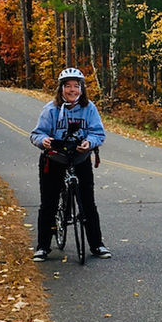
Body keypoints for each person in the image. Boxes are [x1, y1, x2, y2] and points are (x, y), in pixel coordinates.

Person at [29, 66, 112, 260]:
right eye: (68, 86)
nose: (72, 90)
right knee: (48, 203)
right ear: (61, 89)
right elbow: (36, 134)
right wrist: (44, 141)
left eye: (76, 86)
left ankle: (97, 245)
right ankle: (43, 246)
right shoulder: (50, 109)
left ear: (82, 89)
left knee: (87, 203)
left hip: (79, 157)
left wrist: (89, 142)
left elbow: (98, 133)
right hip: (54, 157)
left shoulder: (89, 108)